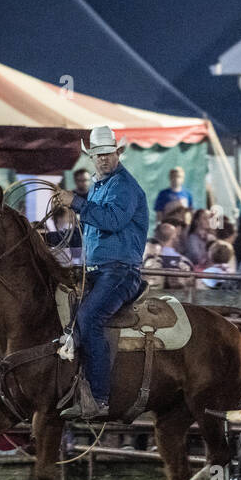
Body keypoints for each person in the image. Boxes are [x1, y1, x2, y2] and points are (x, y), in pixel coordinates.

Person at [54, 126, 150, 420]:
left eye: (108, 154)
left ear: (117, 153)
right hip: (100, 271)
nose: (103, 160)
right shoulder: (100, 185)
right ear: (91, 157)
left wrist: (77, 203)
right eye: (98, 155)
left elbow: (113, 220)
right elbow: (95, 227)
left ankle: (99, 397)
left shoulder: (124, 186)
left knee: (89, 318)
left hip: (120, 271)